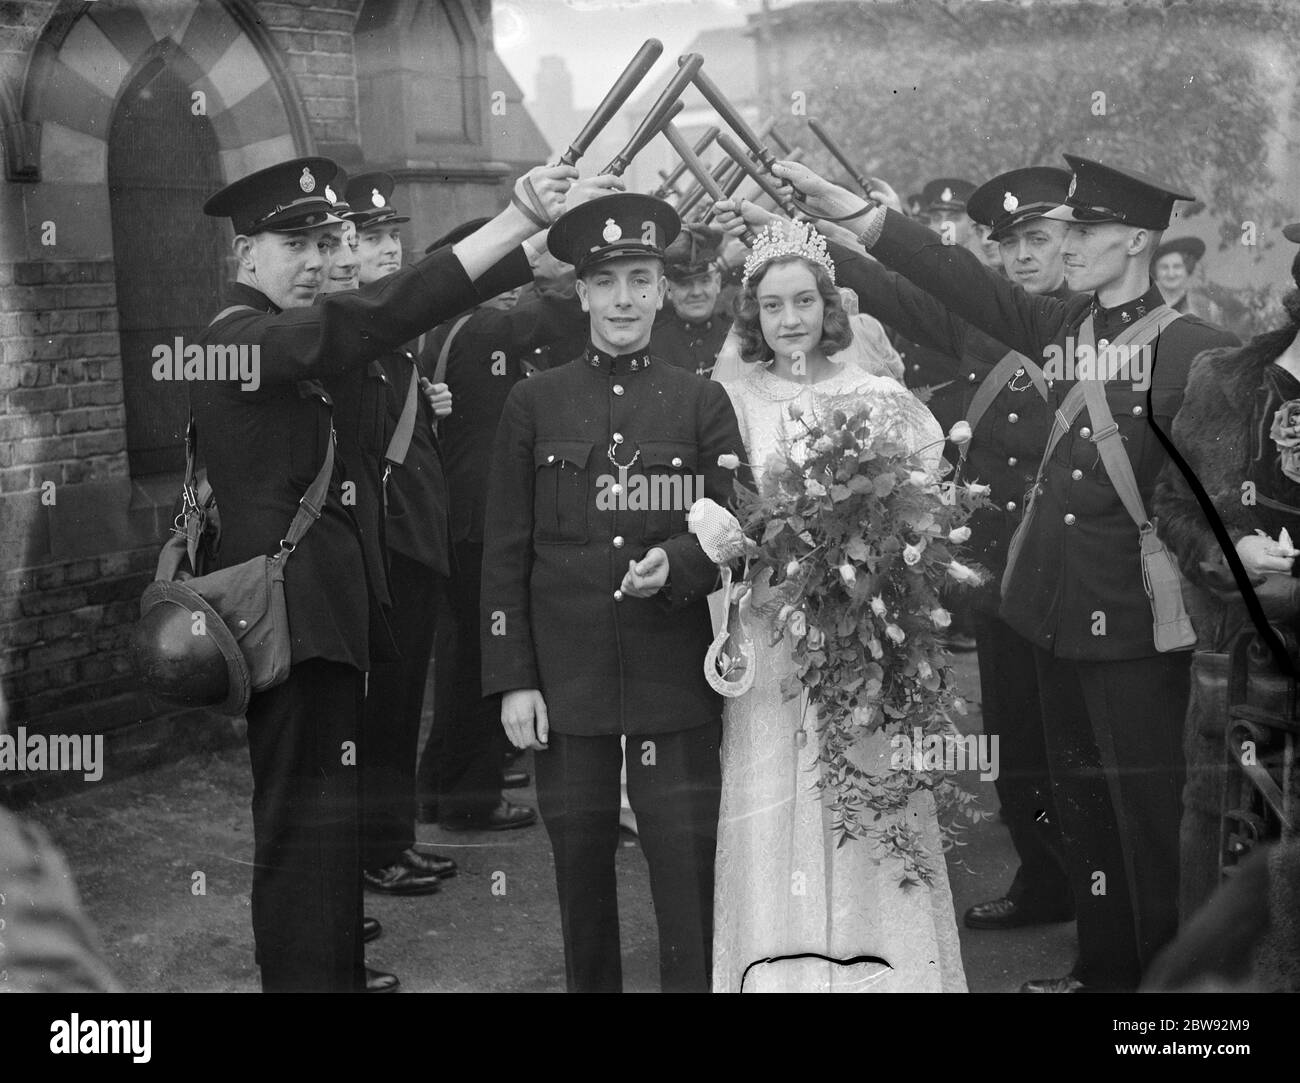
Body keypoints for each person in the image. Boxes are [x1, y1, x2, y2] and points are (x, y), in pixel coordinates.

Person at [765, 153, 1240, 991]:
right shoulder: (1063, 330)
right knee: (1084, 807)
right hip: (1052, 611)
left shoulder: (1199, 353)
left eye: (1085, 229)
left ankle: (1167, 995)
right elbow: (956, 281)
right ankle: (1104, 969)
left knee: (1149, 820)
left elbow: (1215, 505)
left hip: (1137, 627)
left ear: (1134, 239)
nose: (1071, 242)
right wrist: (856, 212)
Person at [192, 155, 573, 992]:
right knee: (299, 821)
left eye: (331, 241)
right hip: (286, 619)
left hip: (325, 617)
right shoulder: (234, 340)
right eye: (297, 243)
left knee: (327, 813)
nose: (322, 259)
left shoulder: (293, 334)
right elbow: (368, 320)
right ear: (246, 254)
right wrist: (510, 225)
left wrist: (522, 253)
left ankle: (333, 970)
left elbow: (380, 331)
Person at [796, 166, 1079, 934]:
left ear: (1076, 243)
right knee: (1016, 735)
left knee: (1080, 744)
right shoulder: (981, 319)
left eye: (1038, 240)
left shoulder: (1097, 325)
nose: (1021, 257)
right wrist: (803, 231)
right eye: (1009, 243)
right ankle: (1044, 877)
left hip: (1079, 569)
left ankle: (1105, 904)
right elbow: (890, 290)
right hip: (1000, 567)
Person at [479, 190, 746, 992]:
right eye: (607, 282)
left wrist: (681, 563)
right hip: (569, 679)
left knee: (684, 865)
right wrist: (513, 677)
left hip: (672, 671)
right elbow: (504, 549)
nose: (624, 299)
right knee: (581, 868)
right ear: (583, 293)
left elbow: (737, 524)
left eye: (640, 279)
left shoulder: (701, 399)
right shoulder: (534, 399)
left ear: (663, 289)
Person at [703, 219, 964, 992]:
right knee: (772, 788)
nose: (791, 320)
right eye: (774, 306)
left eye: (805, 302)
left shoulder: (878, 396)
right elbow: (725, 506)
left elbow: (927, 507)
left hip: (857, 627)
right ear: (753, 315)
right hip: (771, 623)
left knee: (862, 778)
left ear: (829, 307)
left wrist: (877, 568)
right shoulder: (731, 401)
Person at [418, 229, 589, 833]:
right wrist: (561, 265)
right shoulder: (487, 328)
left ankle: (442, 785)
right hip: (483, 521)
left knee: (461, 658)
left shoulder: (448, 328)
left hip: (458, 518)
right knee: (481, 662)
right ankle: (471, 796)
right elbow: (568, 314)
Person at [1153, 222, 1300, 923]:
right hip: (1241, 678)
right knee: (1223, 892)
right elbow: (1174, 507)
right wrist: (1231, 551)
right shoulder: (1228, 382)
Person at [649, 224, 732, 378]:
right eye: (684, 284)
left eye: (705, 280)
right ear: (668, 290)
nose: (696, 292)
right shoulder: (653, 348)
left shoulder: (737, 335)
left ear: (718, 283)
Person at [1153, 235, 1225, 324]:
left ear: (1187, 269)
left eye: (1177, 267)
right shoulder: (1145, 306)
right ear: (1155, 270)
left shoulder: (1206, 307)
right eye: (1164, 267)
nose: (1171, 274)